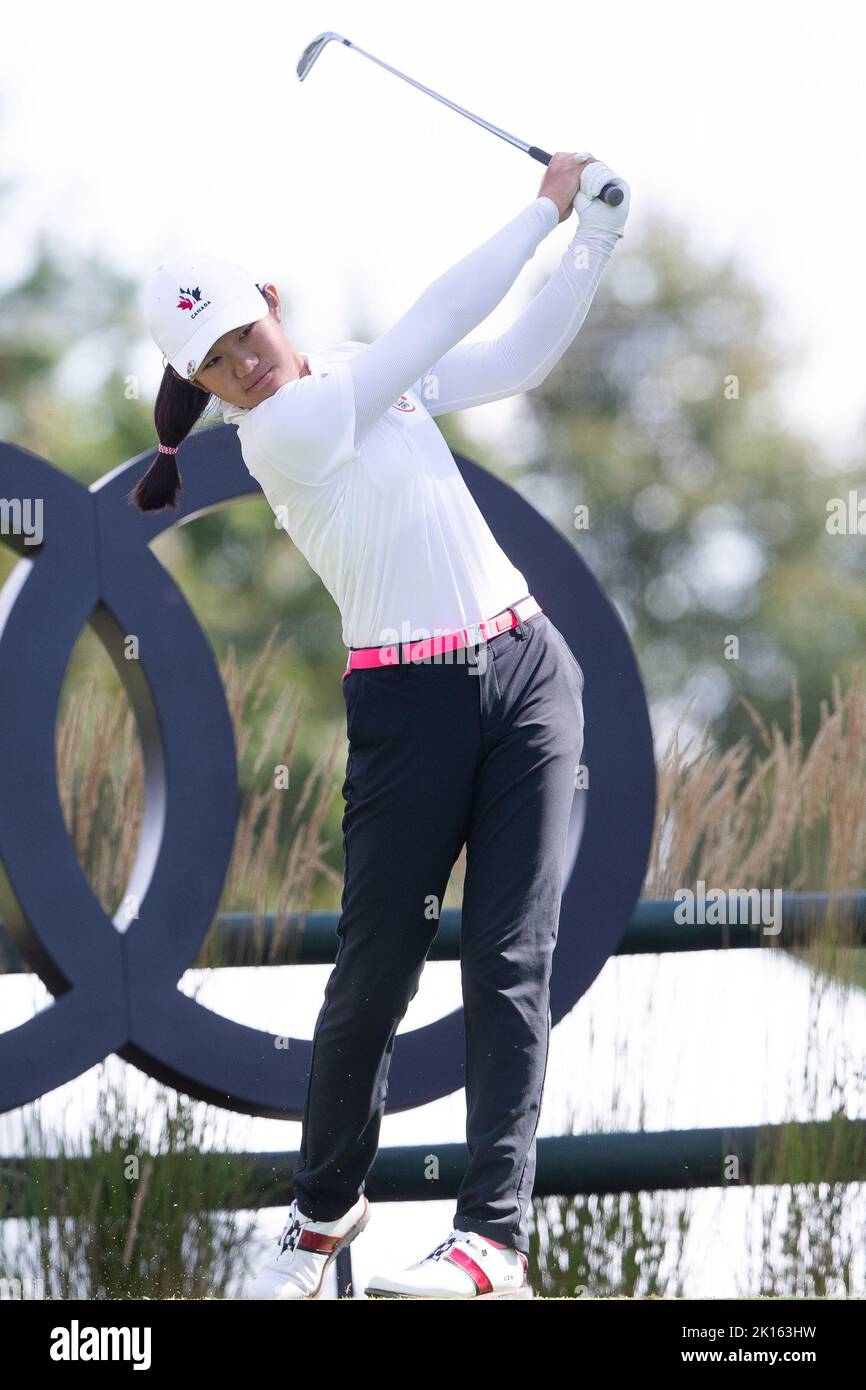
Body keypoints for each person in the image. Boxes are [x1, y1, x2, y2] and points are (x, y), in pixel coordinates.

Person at [137, 152, 630, 1300]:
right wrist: (544, 207)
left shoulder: (358, 375)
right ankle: (320, 1217)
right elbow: (440, 314)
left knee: (509, 959)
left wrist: (590, 245)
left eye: (245, 332)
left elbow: (509, 358)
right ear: (204, 384)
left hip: (526, 672)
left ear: (271, 301)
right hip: (408, 710)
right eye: (216, 362)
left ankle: (488, 1243)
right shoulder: (284, 433)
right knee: (375, 971)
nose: (244, 363)